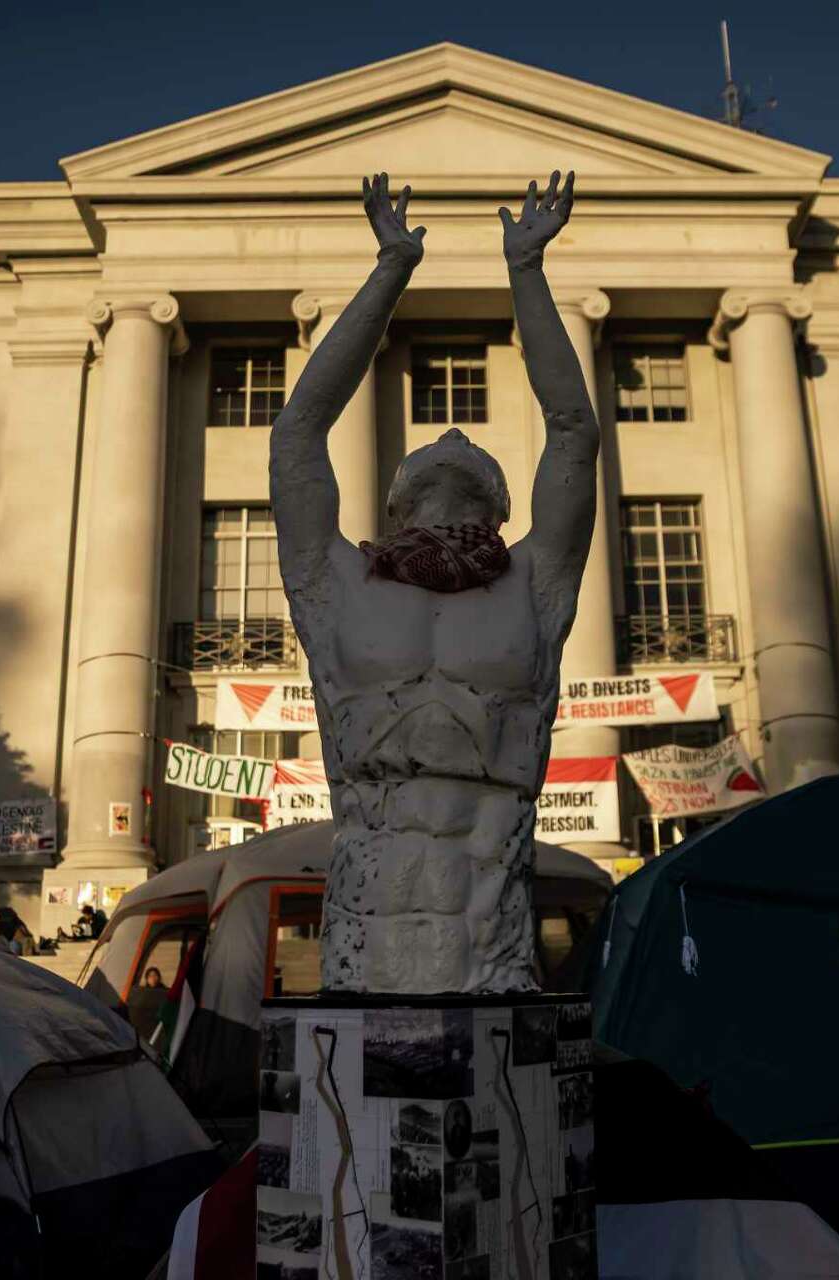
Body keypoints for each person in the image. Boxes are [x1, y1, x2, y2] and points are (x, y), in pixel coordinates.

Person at [270, 171, 598, 994]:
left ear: (501, 504)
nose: (450, 433)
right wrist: (391, 268)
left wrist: (526, 270)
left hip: (495, 942)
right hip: (363, 942)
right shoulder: (337, 581)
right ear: (392, 499)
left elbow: (572, 432)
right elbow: (299, 432)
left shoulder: (533, 582)